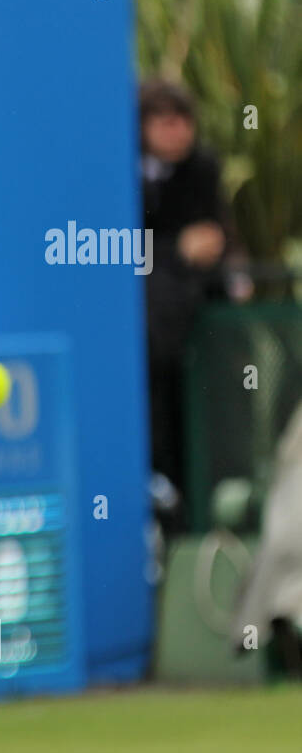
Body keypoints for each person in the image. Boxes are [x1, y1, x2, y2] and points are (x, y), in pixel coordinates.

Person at [140, 78, 231, 535]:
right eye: (164, 121)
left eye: (184, 122)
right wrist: (176, 250)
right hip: (151, 341)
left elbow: (222, 234)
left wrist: (221, 252)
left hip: (200, 338)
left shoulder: (204, 168)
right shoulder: (117, 172)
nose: (177, 132)